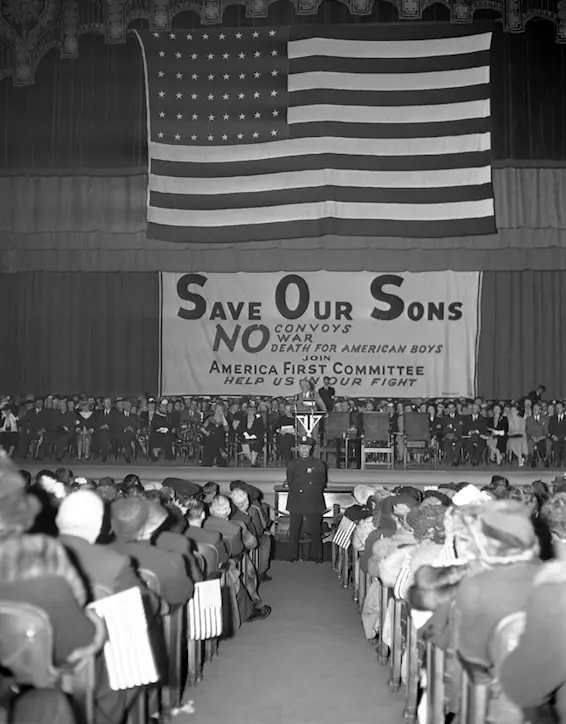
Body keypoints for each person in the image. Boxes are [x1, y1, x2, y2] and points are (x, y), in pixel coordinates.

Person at [284, 435, 327, 563]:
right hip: (297, 500)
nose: (304, 449)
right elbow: (290, 481)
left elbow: (321, 482)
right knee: (294, 532)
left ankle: (317, 557)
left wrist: (312, 492)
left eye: (306, 447)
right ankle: (292, 556)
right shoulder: (292, 464)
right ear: (298, 448)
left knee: (315, 532)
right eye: (301, 446)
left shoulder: (318, 464)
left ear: (310, 448)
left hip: (313, 500)